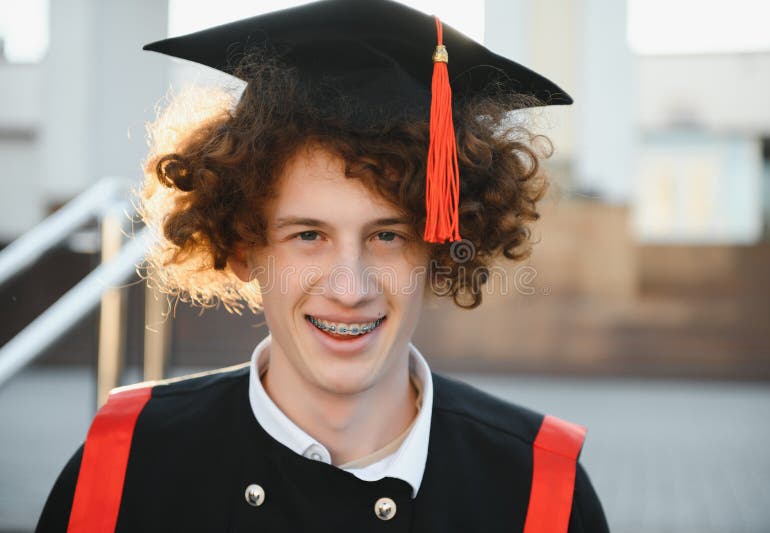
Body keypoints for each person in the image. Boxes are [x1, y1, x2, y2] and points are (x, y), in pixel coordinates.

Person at [36, 0, 609, 531]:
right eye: (308, 235)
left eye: (388, 235)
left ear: (438, 250)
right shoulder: (124, 471)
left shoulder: (539, 492)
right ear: (243, 246)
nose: (349, 286)